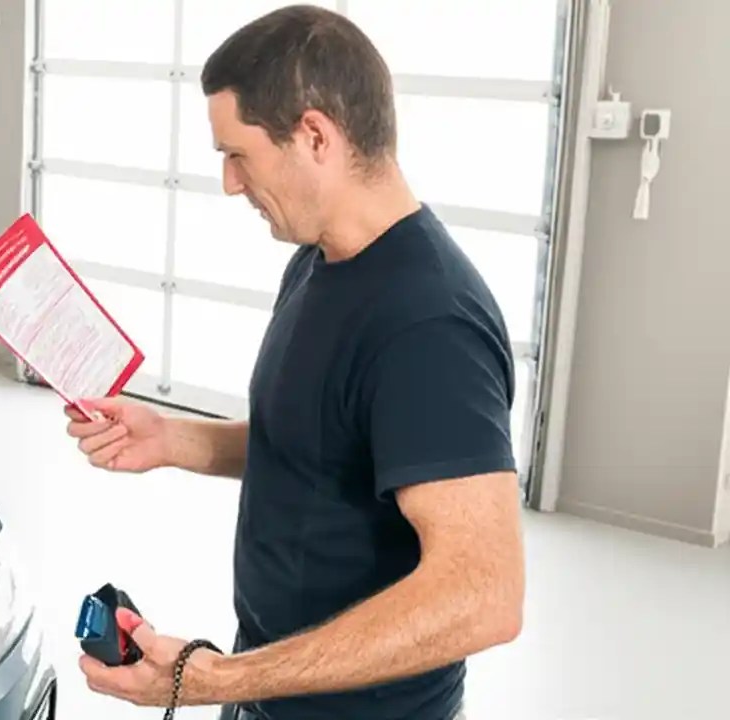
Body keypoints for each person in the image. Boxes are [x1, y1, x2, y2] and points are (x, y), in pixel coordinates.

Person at [65, 5, 526, 720]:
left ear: (315, 135)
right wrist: (174, 438)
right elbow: (328, 439)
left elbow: (484, 593)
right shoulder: (319, 262)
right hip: (269, 690)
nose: (228, 182)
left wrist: (212, 680)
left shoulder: (429, 324)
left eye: (237, 153)